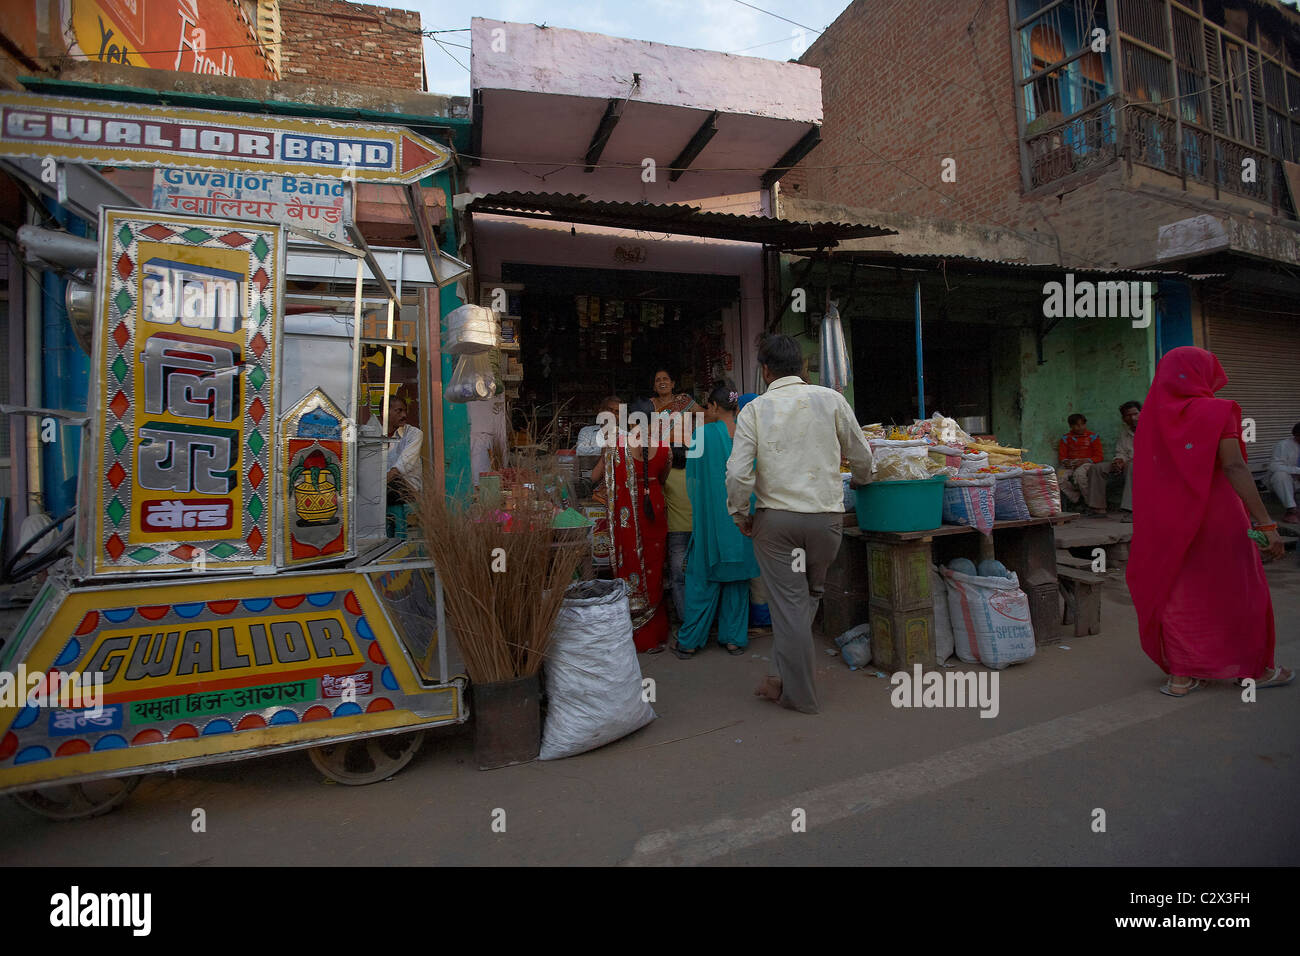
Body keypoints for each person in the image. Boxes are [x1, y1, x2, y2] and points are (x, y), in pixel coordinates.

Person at [1126, 346, 1291, 698]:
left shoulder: (1151, 419)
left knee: (1177, 592)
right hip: (1219, 518)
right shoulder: (1217, 411)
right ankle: (1255, 671)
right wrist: (1266, 523)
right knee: (1240, 590)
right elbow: (1233, 466)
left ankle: (1181, 677)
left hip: (1166, 522)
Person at [726, 335, 874, 713]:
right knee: (806, 597)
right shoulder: (832, 399)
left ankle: (799, 696)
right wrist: (864, 480)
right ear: (803, 369)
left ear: (765, 371)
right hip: (825, 523)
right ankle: (778, 676)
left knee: (791, 606)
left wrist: (740, 514)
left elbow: (739, 474)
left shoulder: (755, 410)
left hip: (778, 528)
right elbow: (861, 454)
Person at [673, 385, 759, 659]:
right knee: (737, 580)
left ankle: (689, 641)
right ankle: (734, 639)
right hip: (743, 518)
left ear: (714, 407)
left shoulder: (702, 435)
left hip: (712, 520)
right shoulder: (749, 434)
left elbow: (693, 480)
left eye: (706, 407)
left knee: (702, 579)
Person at [590, 398, 672, 653]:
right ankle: (657, 630)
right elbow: (663, 475)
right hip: (654, 508)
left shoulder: (617, 446)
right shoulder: (662, 445)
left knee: (633, 562)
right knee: (655, 564)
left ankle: (638, 632)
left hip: (629, 517)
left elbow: (600, 477)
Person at [652, 368, 697, 623]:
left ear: (673, 382)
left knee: (682, 575)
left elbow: (705, 415)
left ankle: (688, 621)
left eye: (665, 379)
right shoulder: (650, 406)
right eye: (657, 380)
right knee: (686, 574)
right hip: (687, 527)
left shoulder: (684, 402)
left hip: (681, 529)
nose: (661, 383)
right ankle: (693, 621)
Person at [1057, 413, 1108, 516]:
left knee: (1080, 475)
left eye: (1082, 425)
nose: (1080, 428)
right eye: (1076, 425)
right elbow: (1062, 456)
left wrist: (1085, 461)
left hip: (1087, 463)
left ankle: (1090, 504)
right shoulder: (1066, 438)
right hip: (1071, 464)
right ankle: (1077, 498)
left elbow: (1099, 456)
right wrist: (1066, 461)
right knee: (1059, 477)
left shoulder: (1093, 437)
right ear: (1071, 426)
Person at [1267, 422, 1300, 524]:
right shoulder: (1283, 445)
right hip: (1285, 482)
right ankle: (1292, 509)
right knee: (1280, 474)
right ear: (1297, 435)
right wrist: (1298, 471)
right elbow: (1274, 466)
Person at [1112, 401, 1140, 521]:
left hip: (1147, 465)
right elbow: (1120, 451)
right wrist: (1119, 460)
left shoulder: (1152, 428)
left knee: (1132, 467)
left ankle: (1131, 510)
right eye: (1128, 415)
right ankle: (1097, 508)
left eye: (1136, 414)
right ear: (1123, 418)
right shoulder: (1124, 433)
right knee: (1097, 469)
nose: (1133, 418)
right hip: (1127, 463)